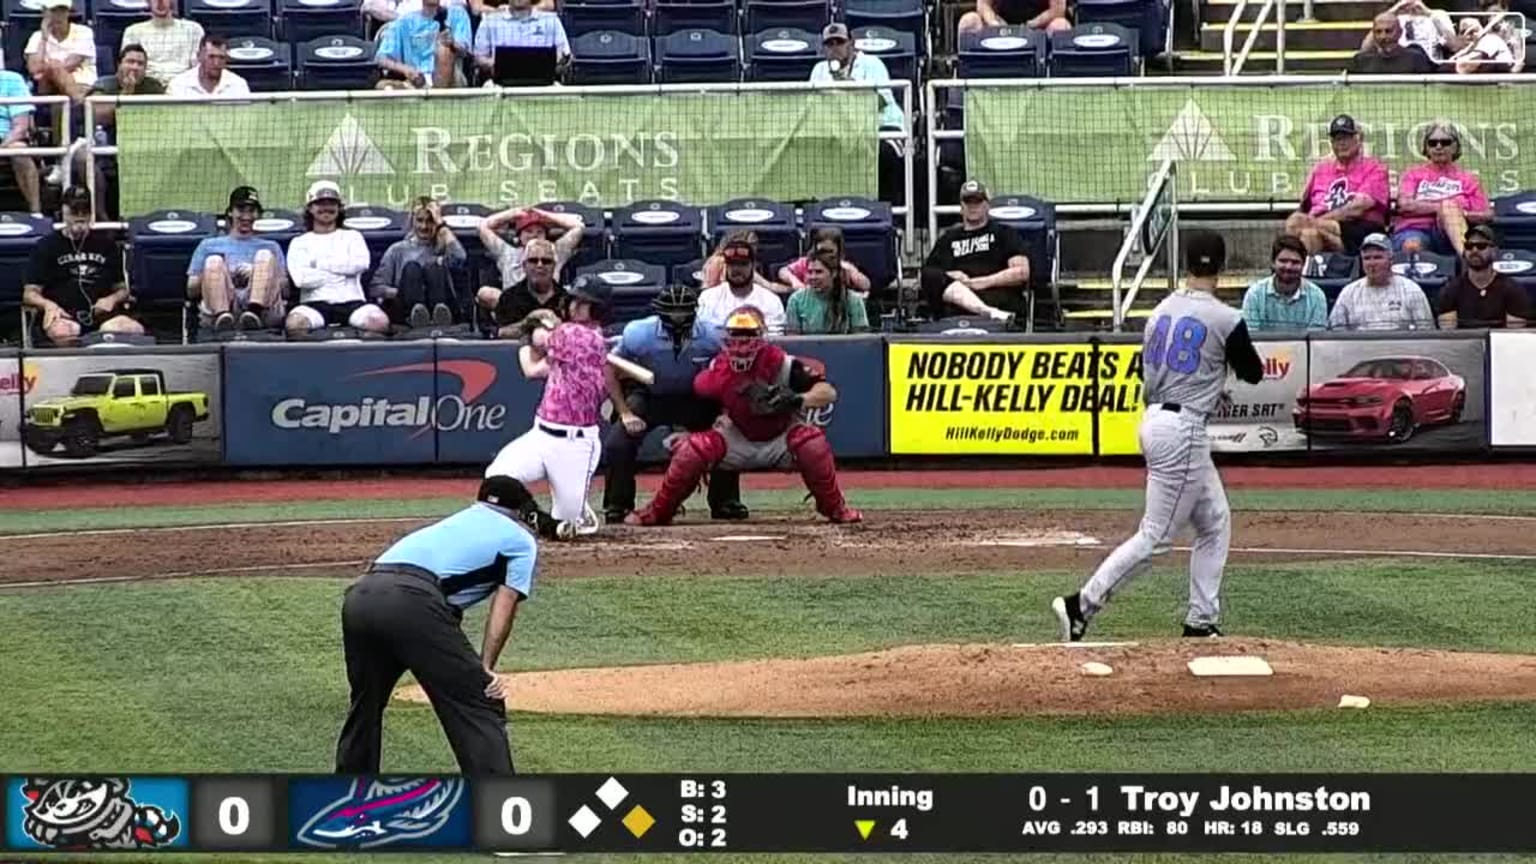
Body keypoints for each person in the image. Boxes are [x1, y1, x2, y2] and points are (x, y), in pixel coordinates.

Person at [1052, 231, 1264, 642]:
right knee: (1156, 537)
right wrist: (1215, 380)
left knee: (1215, 521)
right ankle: (1082, 603)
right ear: (1221, 267)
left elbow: (1141, 372)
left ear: (1187, 266)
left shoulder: (1161, 309)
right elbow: (1253, 371)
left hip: (1156, 418)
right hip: (1183, 431)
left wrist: (1204, 381)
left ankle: (1201, 621)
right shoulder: (1226, 317)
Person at [334, 475, 549, 776]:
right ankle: (500, 805)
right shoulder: (520, 539)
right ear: (522, 513)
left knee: (364, 708)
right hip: (412, 602)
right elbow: (506, 602)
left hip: (360, 596)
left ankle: (349, 802)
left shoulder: (456, 522)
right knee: (480, 700)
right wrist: (484, 667)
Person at [626, 305, 862, 526]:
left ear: (761, 336)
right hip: (737, 436)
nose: (741, 344)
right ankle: (659, 511)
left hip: (781, 437)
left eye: (747, 336)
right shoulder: (715, 371)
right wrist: (685, 433)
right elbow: (697, 404)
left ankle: (834, 508)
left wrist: (796, 399)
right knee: (691, 450)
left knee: (812, 443)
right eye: (736, 336)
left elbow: (828, 392)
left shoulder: (784, 365)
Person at [484, 276, 629, 536]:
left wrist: (539, 323)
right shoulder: (574, 340)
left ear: (598, 308)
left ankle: (578, 512)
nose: (574, 305)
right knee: (497, 477)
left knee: (571, 523)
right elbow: (533, 370)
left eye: (583, 303)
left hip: (575, 444)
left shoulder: (581, 337)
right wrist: (532, 337)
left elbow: (540, 337)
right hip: (541, 434)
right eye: (575, 299)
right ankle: (540, 520)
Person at [601, 285, 749, 523]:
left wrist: (725, 412)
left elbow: (729, 372)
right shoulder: (639, 333)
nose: (678, 318)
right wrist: (625, 412)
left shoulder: (712, 335)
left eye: (683, 312)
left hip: (695, 396)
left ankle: (725, 501)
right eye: (672, 313)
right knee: (618, 444)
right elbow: (610, 365)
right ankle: (617, 504)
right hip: (650, 394)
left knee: (726, 435)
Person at [22, 186, 142, 346]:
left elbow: (122, 290)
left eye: (84, 212)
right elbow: (29, 294)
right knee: (63, 332)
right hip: (64, 314)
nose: (79, 217)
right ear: (63, 212)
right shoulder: (46, 246)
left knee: (132, 329)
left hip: (101, 315)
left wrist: (111, 299)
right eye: (74, 212)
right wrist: (48, 305)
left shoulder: (107, 245)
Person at [285, 181, 389, 337]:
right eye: (320, 203)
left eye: (331, 203)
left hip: (353, 302)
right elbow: (301, 279)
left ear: (339, 208)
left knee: (379, 323)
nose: (326, 208)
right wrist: (343, 272)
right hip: (313, 305)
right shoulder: (299, 242)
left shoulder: (353, 236)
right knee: (295, 325)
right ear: (310, 208)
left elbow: (360, 264)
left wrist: (317, 264)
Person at [920, 179, 1030, 324]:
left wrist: (981, 282)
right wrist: (951, 276)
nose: (973, 206)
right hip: (957, 303)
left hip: (996, 296)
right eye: (968, 202)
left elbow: (1022, 272)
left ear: (987, 205)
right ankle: (987, 312)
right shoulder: (947, 239)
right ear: (961, 207)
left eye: (977, 201)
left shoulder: (1004, 233)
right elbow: (927, 276)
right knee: (929, 275)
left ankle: (988, 311)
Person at [1283, 115, 1390, 256]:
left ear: (1358, 139)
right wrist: (1310, 221)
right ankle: (1302, 273)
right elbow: (1304, 206)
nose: (1342, 143)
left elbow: (1357, 209)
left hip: (1357, 228)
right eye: (1337, 139)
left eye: (1347, 137)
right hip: (1323, 227)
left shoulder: (1375, 168)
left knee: (1305, 226)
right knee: (1306, 231)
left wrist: (1316, 221)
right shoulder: (1320, 169)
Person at [188, 185, 287, 333]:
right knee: (213, 261)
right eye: (241, 210)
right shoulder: (208, 245)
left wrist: (257, 274)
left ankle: (254, 313)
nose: (246, 216)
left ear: (258, 215)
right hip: (221, 305)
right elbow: (191, 290)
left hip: (266, 310)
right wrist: (220, 275)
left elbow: (285, 290)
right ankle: (223, 316)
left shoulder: (271, 246)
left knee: (264, 256)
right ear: (230, 212)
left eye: (251, 211)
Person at [1391, 122, 1491, 256]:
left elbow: (1486, 215)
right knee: (1412, 245)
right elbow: (1405, 204)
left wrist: (1457, 215)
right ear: (1426, 148)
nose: (1439, 147)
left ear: (1455, 147)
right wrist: (1444, 209)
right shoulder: (1413, 174)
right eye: (1433, 143)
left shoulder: (1468, 179)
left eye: (1445, 142)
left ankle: (1465, 257)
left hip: (1453, 233)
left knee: (1449, 208)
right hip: (1415, 229)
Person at [371, 196, 467, 328]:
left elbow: (460, 258)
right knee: (412, 268)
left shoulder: (445, 249)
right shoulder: (397, 250)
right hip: (405, 312)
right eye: (420, 221)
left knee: (433, 267)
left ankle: (438, 317)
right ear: (412, 221)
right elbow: (376, 288)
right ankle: (416, 316)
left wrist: (442, 226)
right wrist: (404, 291)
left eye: (430, 221)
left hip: (441, 308)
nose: (424, 226)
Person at [1328, 232, 1435, 331]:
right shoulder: (1348, 293)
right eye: (1367, 258)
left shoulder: (1411, 290)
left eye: (1377, 257)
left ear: (1391, 260)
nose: (1372, 263)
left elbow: (1426, 332)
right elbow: (1335, 334)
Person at [1435, 225, 1528, 329]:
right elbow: (1449, 335)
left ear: (1494, 251)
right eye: (1469, 246)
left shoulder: (1512, 289)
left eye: (1481, 246)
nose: (1474, 250)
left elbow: (1514, 335)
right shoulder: (1451, 290)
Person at [696, 235, 788, 334]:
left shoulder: (771, 301)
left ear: (753, 266)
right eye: (732, 264)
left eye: (743, 264)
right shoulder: (708, 298)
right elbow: (703, 338)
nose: (736, 269)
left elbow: (775, 340)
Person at [375, 0, 473, 89]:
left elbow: (466, 51)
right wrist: (406, 70)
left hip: (451, 80)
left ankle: (438, 96)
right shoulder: (404, 21)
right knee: (383, 87)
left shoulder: (458, 14)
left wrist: (453, 43)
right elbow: (381, 58)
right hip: (416, 81)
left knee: (444, 49)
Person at [1239, 235, 1328, 331]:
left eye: (1295, 262)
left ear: (1303, 265)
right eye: (1283, 261)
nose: (1288, 267)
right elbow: (1251, 336)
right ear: (1273, 263)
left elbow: (1316, 340)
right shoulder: (1255, 294)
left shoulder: (1317, 296)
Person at [785, 250, 871, 335]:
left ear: (833, 273)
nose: (813, 277)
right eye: (810, 272)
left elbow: (861, 340)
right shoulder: (796, 300)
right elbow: (793, 341)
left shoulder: (854, 300)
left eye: (819, 272)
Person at [121, 0, 204, 85]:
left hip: (184, 87)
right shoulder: (133, 32)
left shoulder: (193, 30)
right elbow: (128, 68)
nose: (160, 2)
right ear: (148, 2)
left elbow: (198, 68)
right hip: (146, 87)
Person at [778, 227, 871, 296]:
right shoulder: (806, 262)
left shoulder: (844, 267)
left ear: (839, 250)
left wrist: (852, 272)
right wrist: (794, 281)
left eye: (829, 251)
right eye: (821, 251)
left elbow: (866, 285)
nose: (825, 255)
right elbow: (783, 271)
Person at [1350, 11, 1439, 72]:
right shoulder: (1361, 60)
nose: (1383, 36)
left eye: (1388, 31)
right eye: (1378, 32)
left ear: (1400, 32)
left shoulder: (1416, 58)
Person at [166, 34, 250, 97]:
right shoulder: (178, 85)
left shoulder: (239, 85)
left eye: (221, 58)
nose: (216, 63)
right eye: (211, 57)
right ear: (199, 56)